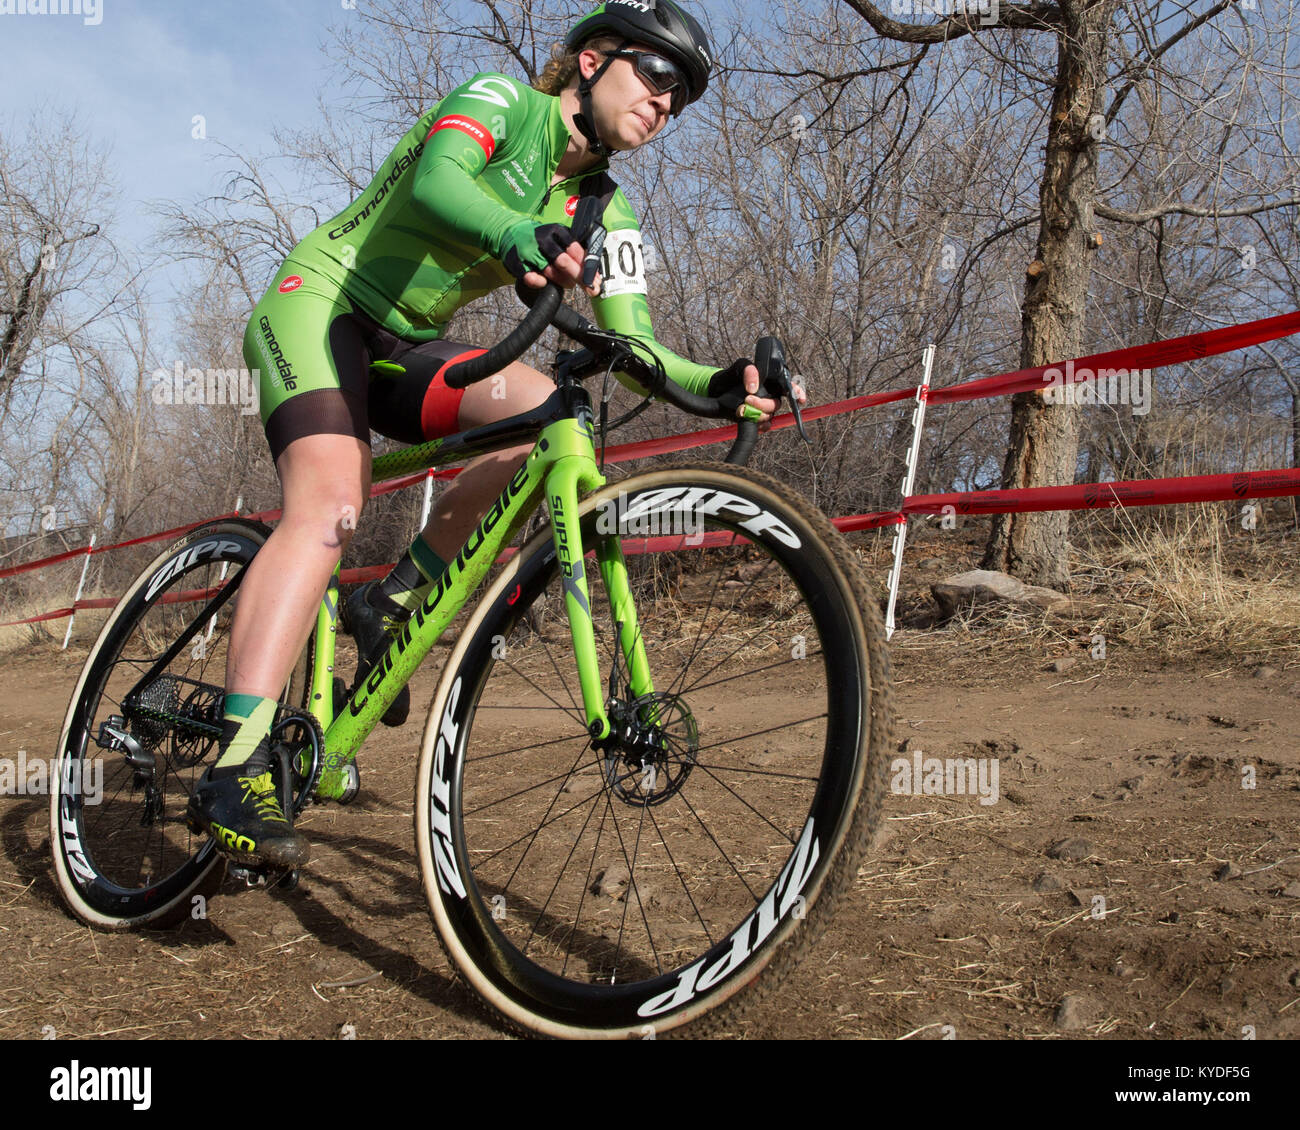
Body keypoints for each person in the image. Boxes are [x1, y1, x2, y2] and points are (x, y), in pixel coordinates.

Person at [187, 0, 806, 869]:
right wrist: (516, 230)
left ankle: (390, 601)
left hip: (406, 341)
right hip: (323, 303)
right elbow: (439, 182)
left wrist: (721, 383)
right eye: (658, 74)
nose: (667, 103)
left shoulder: (608, 213)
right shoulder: (498, 100)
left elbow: (632, 343)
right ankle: (234, 766)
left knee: (545, 418)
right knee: (331, 503)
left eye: (684, 97)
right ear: (593, 61)